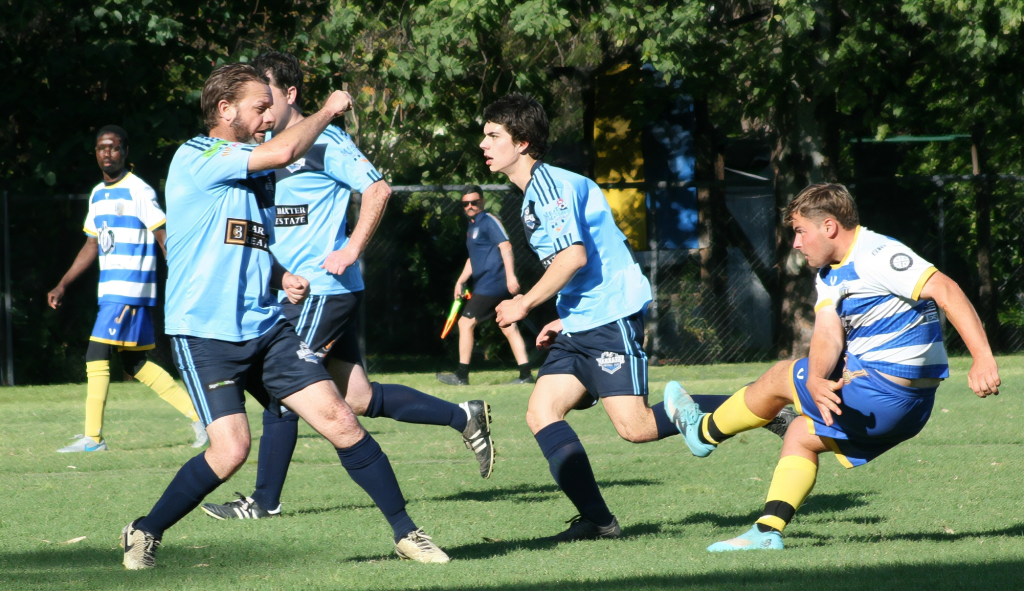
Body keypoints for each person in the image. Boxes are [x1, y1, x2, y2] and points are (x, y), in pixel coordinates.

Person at [119, 63, 448, 569]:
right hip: (206, 333)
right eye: (259, 106)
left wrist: (279, 277)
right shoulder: (198, 155)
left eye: (269, 106)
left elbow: (241, 243)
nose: (268, 114)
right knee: (230, 451)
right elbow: (285, 150)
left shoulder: (256, 178)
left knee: (341, 418)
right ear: (225, 111)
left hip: (266, 328)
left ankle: (407, 532)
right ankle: (145, 530)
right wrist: (329, 108)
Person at [198, 53, 495, 523]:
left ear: (290, 94)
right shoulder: (268, 147)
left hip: (324, 289)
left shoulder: (327, 141)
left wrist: (353, 248)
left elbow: (377, 189)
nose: (260, 105)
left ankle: (263, 502)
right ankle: (464, 416)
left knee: (283, 388)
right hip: (296, 291)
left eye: (266, 94)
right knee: (357, 398)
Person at [664, 183, 1001, 552]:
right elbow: (827, 334)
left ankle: (704, 432)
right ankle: (766, 531)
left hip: (881, 392)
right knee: (800, 436)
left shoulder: (878, 253)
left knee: (779, 376)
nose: (795, 243)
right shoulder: (829, 276)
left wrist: (982, 358)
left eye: (799, 231)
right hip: (905, 410)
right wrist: (815, 379)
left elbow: (947, 289)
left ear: (828, 227)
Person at [48, 125, 206, 452]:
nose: (107, 153)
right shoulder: (97, 194)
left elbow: (163, 237)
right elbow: (92, 244)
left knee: (96, 351)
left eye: (114, 147)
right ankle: (201, 417)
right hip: (111, 289)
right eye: (101, 148)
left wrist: (180, 278)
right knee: (135, 364)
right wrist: (63, 284)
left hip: (131, 288)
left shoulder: (139, 190)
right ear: (95, 152)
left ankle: (93, 438)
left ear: (125, 151)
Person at [436, 186, 533, 386]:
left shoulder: (489, 221)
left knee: (465, 323)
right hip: (486, 283)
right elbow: (473, 258)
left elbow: (505, 246)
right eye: (466, 204)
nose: (470, 206)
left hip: (493, 282)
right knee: (508, 326)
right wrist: (461, 280)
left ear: (482, 201)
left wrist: (510, 277)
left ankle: (461, 375)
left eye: (474, 202)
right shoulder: (472, 226)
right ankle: (526, 375)